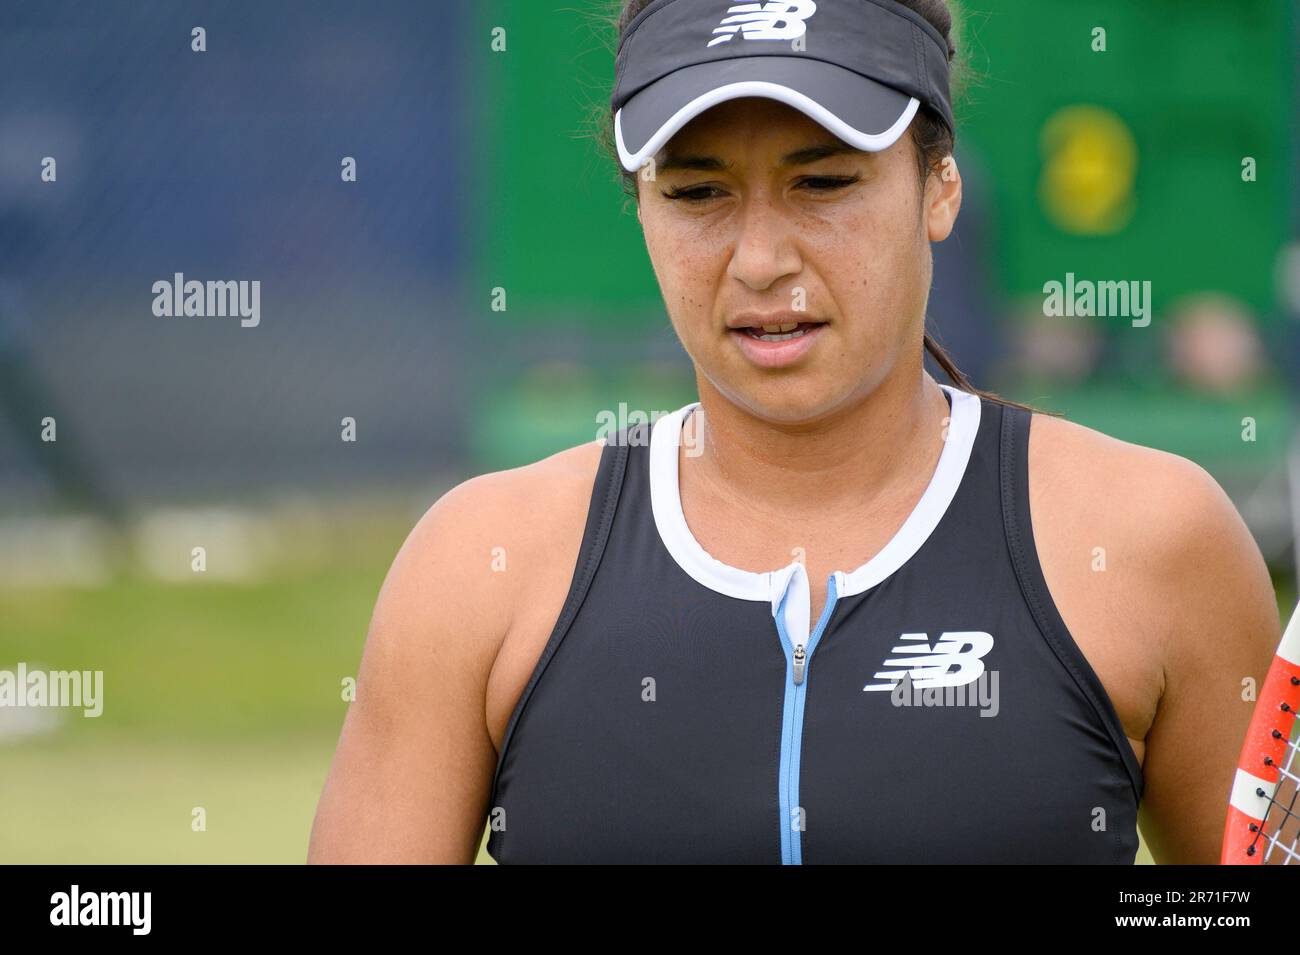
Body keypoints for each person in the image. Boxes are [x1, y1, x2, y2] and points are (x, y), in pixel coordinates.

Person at [307, 0, 1280, 864]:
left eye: (823, 183)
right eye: (696, 193)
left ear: (940, 184)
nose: (761, 259)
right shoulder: (478, 566)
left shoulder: (1151, 543)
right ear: (639, 204)